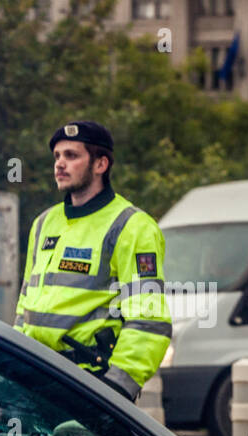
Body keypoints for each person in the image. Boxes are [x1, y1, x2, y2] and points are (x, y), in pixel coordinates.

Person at [13, 120, 172, 402]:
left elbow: (149, 320)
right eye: (57, 157)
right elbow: (24, 309)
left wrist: (116, 390)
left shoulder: (132, 226)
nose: (60, 164)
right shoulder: (43, 224)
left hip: (89, 384)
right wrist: (10, 378)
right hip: (35, 381)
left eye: (71, 156)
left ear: (101, 164)